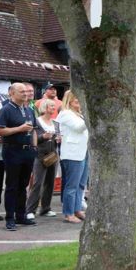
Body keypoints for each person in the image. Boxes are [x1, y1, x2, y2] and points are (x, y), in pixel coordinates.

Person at [0, 82, 37, 231]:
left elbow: (34, 130)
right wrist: (19, 129)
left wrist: (34, 147)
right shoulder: (6, 110)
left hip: (28, 151)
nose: (25, 94)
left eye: (26, 92)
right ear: (12, 93)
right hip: (13, 150)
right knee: (12, 186)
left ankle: (21, 215)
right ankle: (10, 218)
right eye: (21, 92)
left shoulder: (29, 110)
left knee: (23, 185)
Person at [58, 90, 89, 223]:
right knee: (72, 185)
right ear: (69, 101)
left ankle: (77, 209)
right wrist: (89, 116)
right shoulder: (65, 114)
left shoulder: (79, 114)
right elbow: (78, 128)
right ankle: (68, 213)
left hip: (83, 151)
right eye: (77, 100)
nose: (80, 102)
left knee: (81, 184)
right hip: (72, 153)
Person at [26, 98, 60, 218]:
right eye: (51, 106)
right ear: (45, 107)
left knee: (50, 182)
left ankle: (46, 208)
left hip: (53, 155)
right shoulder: (37, 122)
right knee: (37, 183)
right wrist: (42, 137)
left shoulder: (56, 123)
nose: (53, 108)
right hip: (40, 155)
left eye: (54, 106)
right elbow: (33, 139)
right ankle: (30, 210)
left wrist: (58, 140)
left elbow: (57, 140)